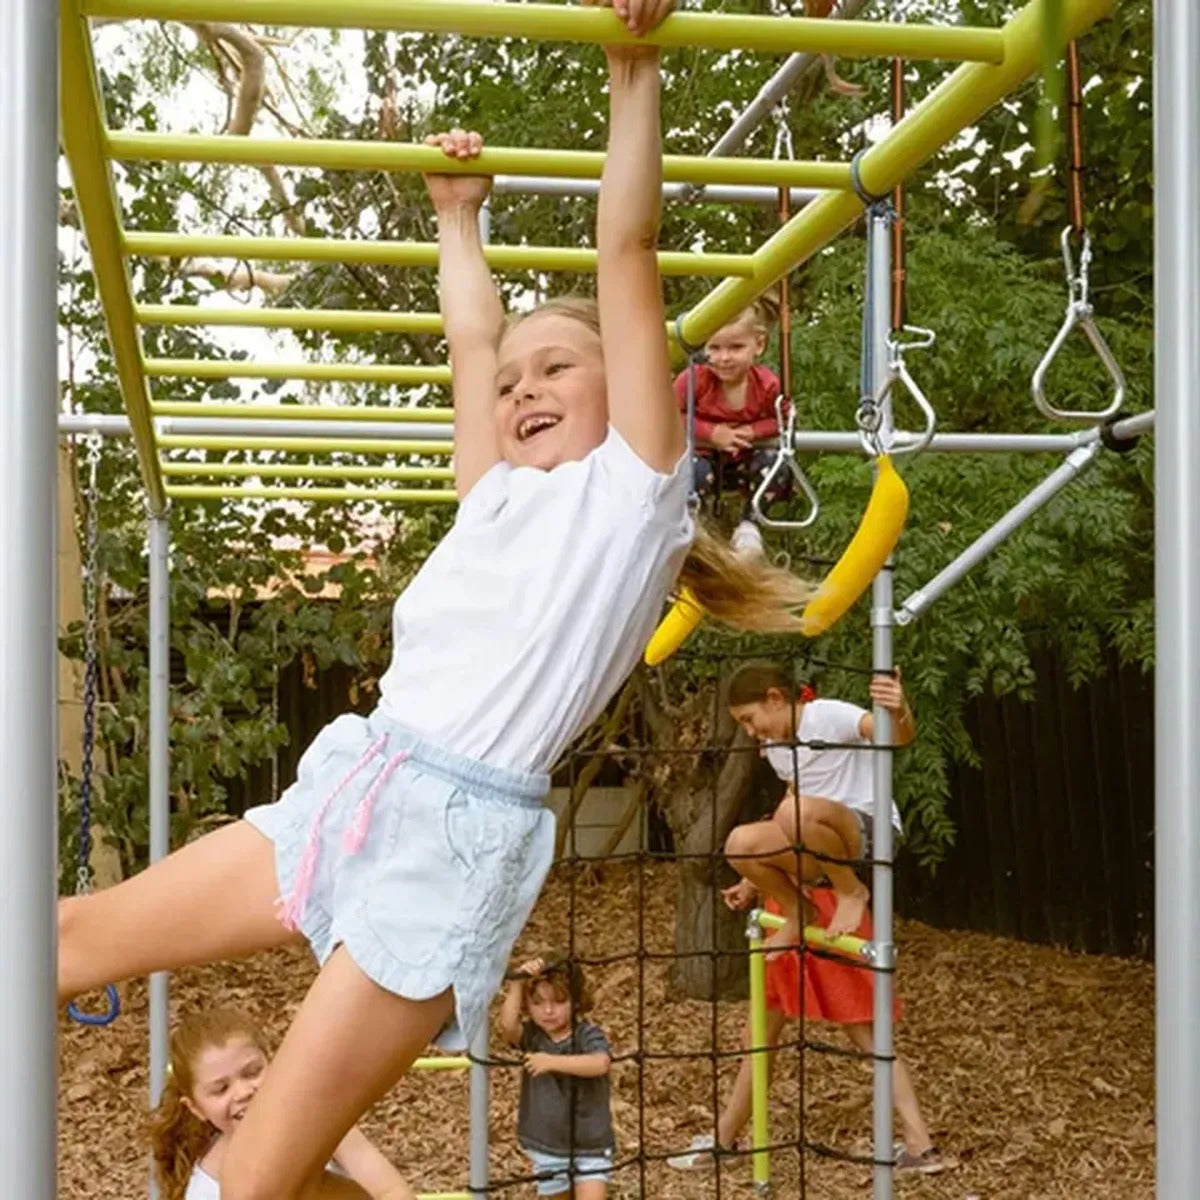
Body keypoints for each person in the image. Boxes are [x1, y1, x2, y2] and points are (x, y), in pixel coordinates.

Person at [57, 6, 815, 1198]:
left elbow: (628, 250)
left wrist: (632, 70)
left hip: (457, 838)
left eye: (558, 366)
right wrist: (460, 221)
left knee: (247, 1176)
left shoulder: (633, 495)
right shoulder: (496, 495)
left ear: (631, 388)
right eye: (518, 381)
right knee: (61, 937)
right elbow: (473, 348)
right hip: (357, 778)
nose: (523, 388)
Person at [665, 887, 945, 1175]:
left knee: (865, 1039)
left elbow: (790, 848)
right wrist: (754, 879)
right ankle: (724, 1139)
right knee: (760, 1036)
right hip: (811, 909)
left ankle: (920, 1145)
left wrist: (758, 874)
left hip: (811, 913)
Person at [723, 661, 915, 945]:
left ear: (775, 699)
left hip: (871, 833)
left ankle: (850, 891)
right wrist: (753, 877)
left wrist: (899, 709)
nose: (750, 732)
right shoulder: (776, 748)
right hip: (820, 849)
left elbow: (896, 736)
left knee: (794, 811)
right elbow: (790, 806)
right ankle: (798, 910)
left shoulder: (826, 714)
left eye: (749, 719)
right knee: (738, 845)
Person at [150, 1008, 415, 1200]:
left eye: (252, 1072)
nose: (243, 1091)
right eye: (221, 1089)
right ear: (196, 1108)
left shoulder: (324, 1129)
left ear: (275, 1064)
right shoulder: (205, 1191)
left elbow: (393, 1192)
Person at [673, 303, 786, 557]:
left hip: (746, 461)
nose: (724, 358)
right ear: (703, 347)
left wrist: (755, 431)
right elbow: (667, 414)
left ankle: (750, 525)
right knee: (689, 470)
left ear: (758, 345)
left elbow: (786, 417)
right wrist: (711, 433)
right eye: (714, 348)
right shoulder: (694, 379)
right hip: (704, 459)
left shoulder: (767, 384)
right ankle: (697, 529)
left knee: (777, 465)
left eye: (736, 347)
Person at [498, 955, 614, 1198]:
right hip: (548, 1145)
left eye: (559, 1002)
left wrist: (550, 1062)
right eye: (538, 1003)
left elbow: (600, 1063)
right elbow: (508, 1026)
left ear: (576, 1002)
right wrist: (517, 984)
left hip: (591, 1145)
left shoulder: (586, 1034)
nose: (548, 1011)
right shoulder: (533, 1037)